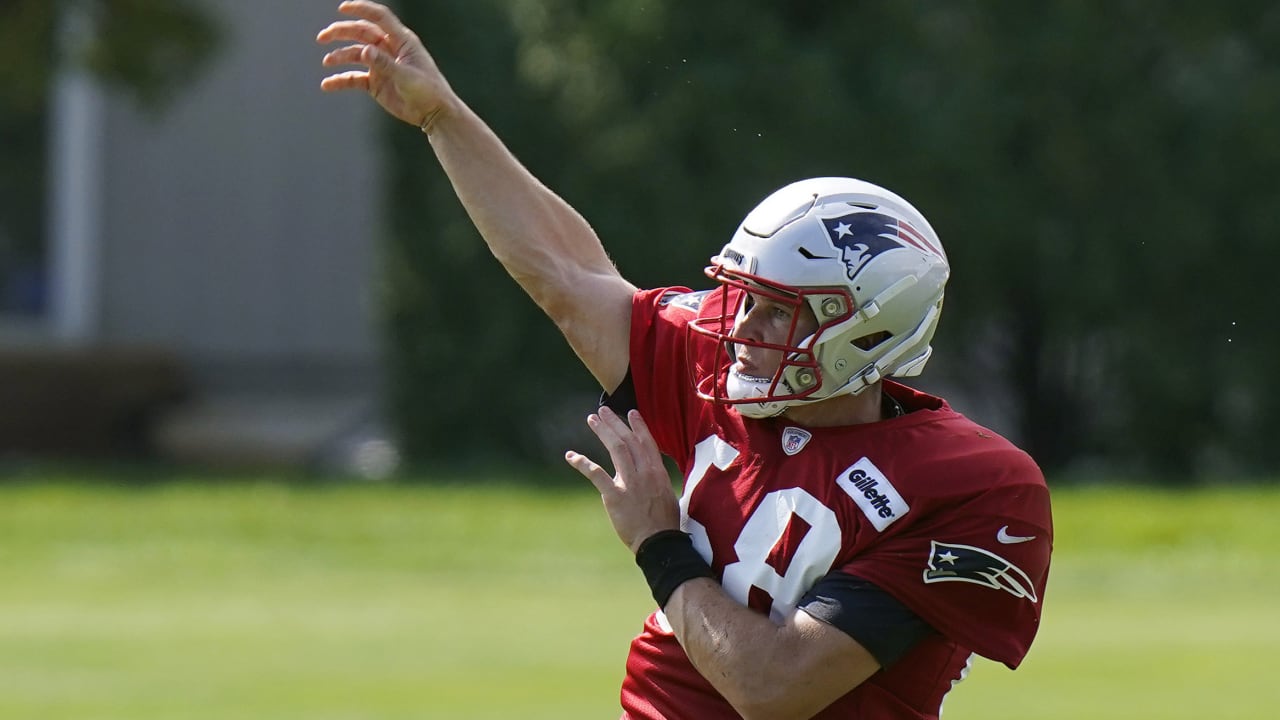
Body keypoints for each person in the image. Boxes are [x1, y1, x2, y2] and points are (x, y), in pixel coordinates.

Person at [317, 3, 1053, 718]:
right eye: (745, 295)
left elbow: (772, 688)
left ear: (863, 333)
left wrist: (659, 543)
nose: (740, 326)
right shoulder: (718, 365)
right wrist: (443, 116)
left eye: (777, 309)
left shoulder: (972, 489)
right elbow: (567, 277)